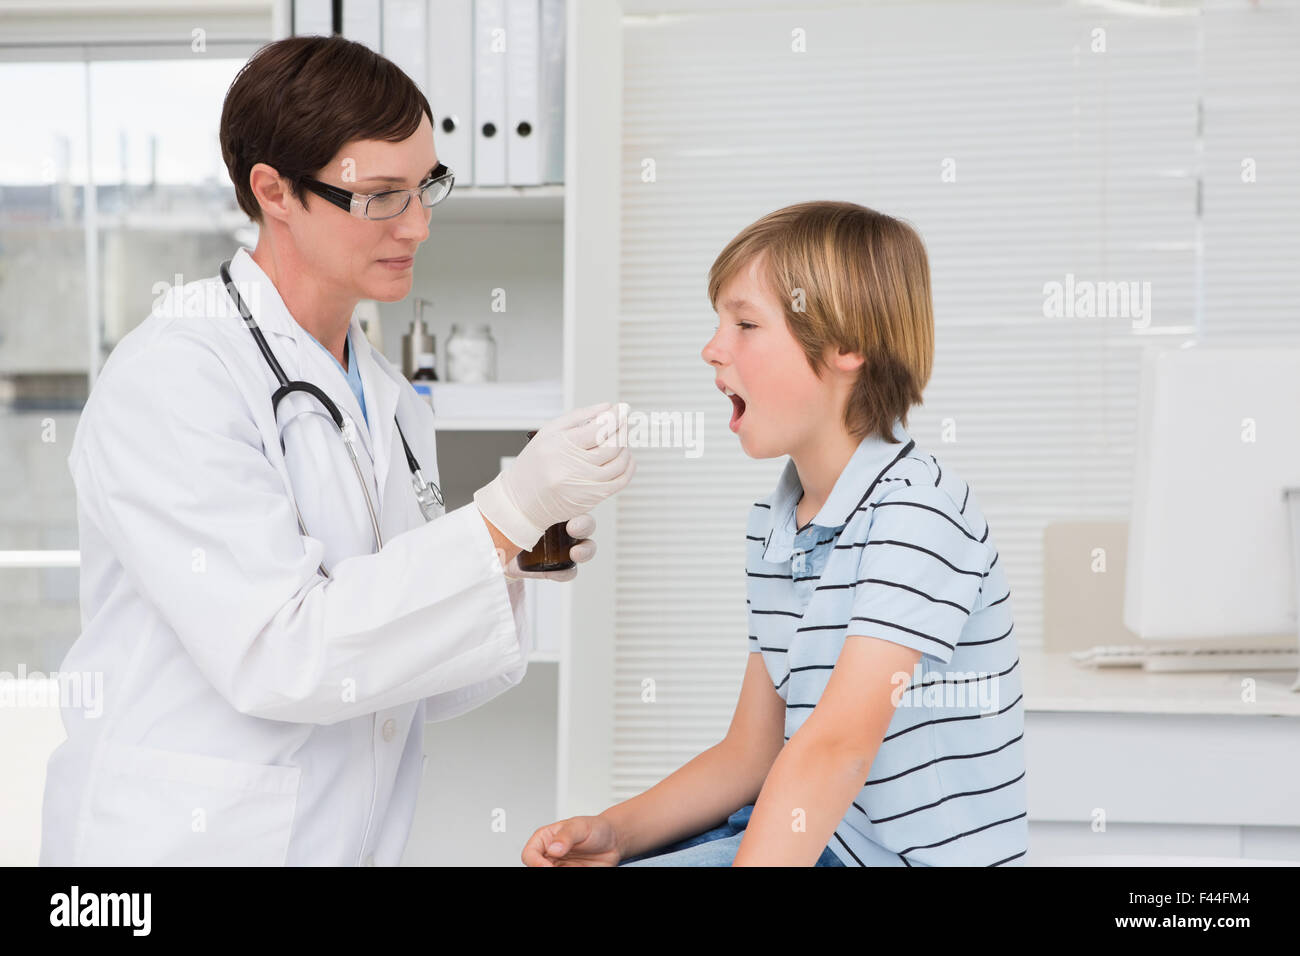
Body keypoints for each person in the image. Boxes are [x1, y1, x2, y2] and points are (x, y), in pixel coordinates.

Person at [39, 35, 634, 867]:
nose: (420, 225)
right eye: (382, 196)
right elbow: (282, 654)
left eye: (427, 187)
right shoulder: (176, 375)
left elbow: (397, 672)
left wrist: (512, 560)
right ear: (274, 191)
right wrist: (498, 521)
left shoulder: (384, 395)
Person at [522, 201, 1026, 867]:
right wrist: (618, 833)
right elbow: (753, 752)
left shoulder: (918, 514)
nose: (712, 348)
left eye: (746, 324)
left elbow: (836, 747)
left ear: (848, 346)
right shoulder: (778, 525)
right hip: (817, 836)